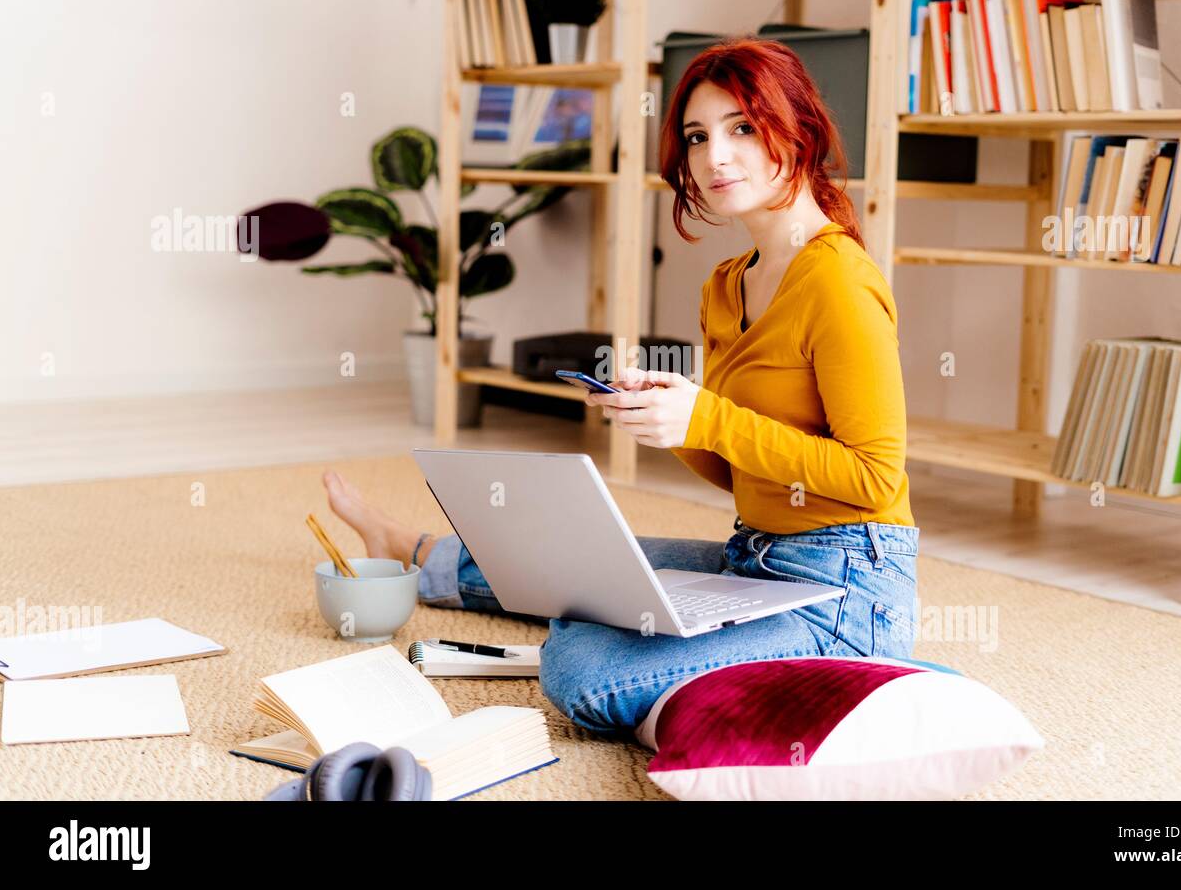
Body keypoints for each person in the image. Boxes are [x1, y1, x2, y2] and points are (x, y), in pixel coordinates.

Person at [324, 38, 919, 737]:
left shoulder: (840, 284)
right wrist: (660, 418)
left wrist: (705, 419)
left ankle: (790, 688)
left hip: (848, 590)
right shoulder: (728, 286)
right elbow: (741, 467)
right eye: (698, 137)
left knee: (578, 670)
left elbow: (875, 477)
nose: (714, 157)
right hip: (756, 552)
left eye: (743, 129)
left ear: (801, 130)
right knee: (587, 567)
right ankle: (415, 550)